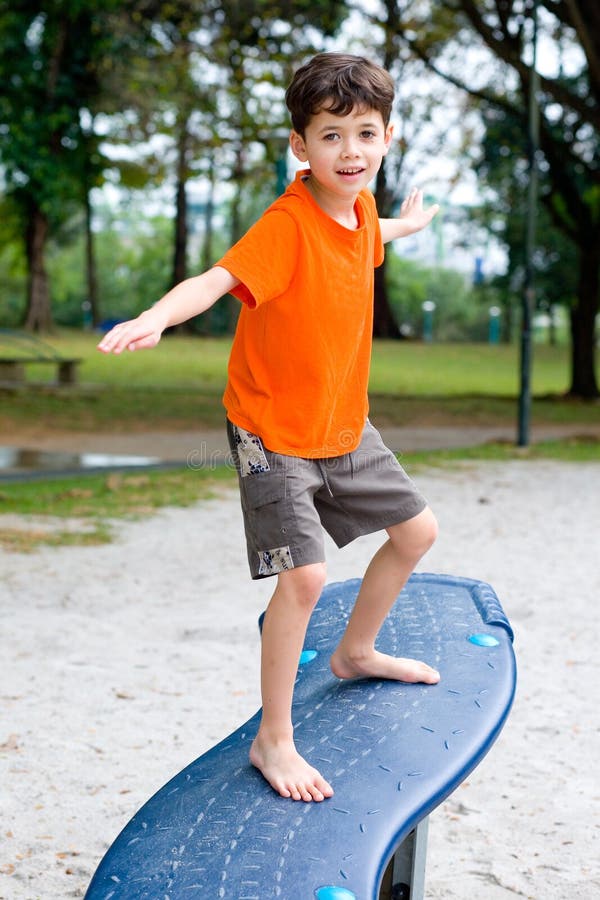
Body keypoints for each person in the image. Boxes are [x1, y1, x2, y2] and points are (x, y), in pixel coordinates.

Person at [98, 51, 441, 804]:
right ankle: (274, 738)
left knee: (417, 533)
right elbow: (217, 280)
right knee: (305, 576)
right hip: (271, 431)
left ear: (386, 136)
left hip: (342, 423)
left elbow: (371, 243)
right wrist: (156, 316)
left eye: (364, 134)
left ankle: (355, 653)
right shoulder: (286, 225)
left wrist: (409, 222)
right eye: (330, 137)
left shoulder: (363, 213)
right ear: (299, 146)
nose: (349, 152)